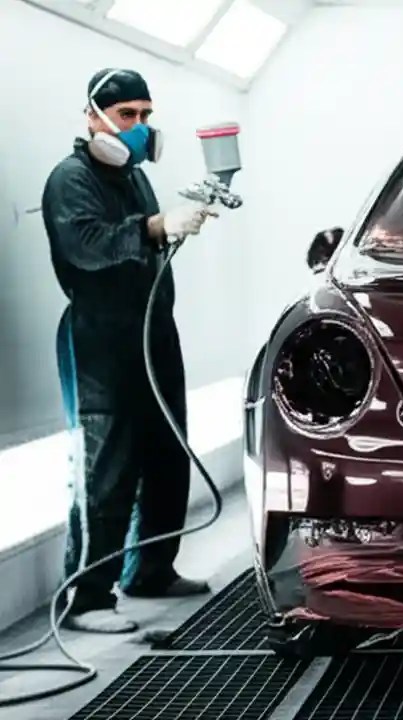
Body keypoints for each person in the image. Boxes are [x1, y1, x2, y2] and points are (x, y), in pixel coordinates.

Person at [42, 68, 215, 633]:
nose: (139, 126)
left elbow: (146, 241)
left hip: (151, 332)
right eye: (127, 116)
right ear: (93, 116)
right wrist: (155, 227)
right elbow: (86, 245)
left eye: (145, 115)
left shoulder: (134, 177)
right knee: (107, 469)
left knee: (166, 456)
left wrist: (160, 228)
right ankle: (88, 599)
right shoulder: (70, 179)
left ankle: (150, 571)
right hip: (102, 341)